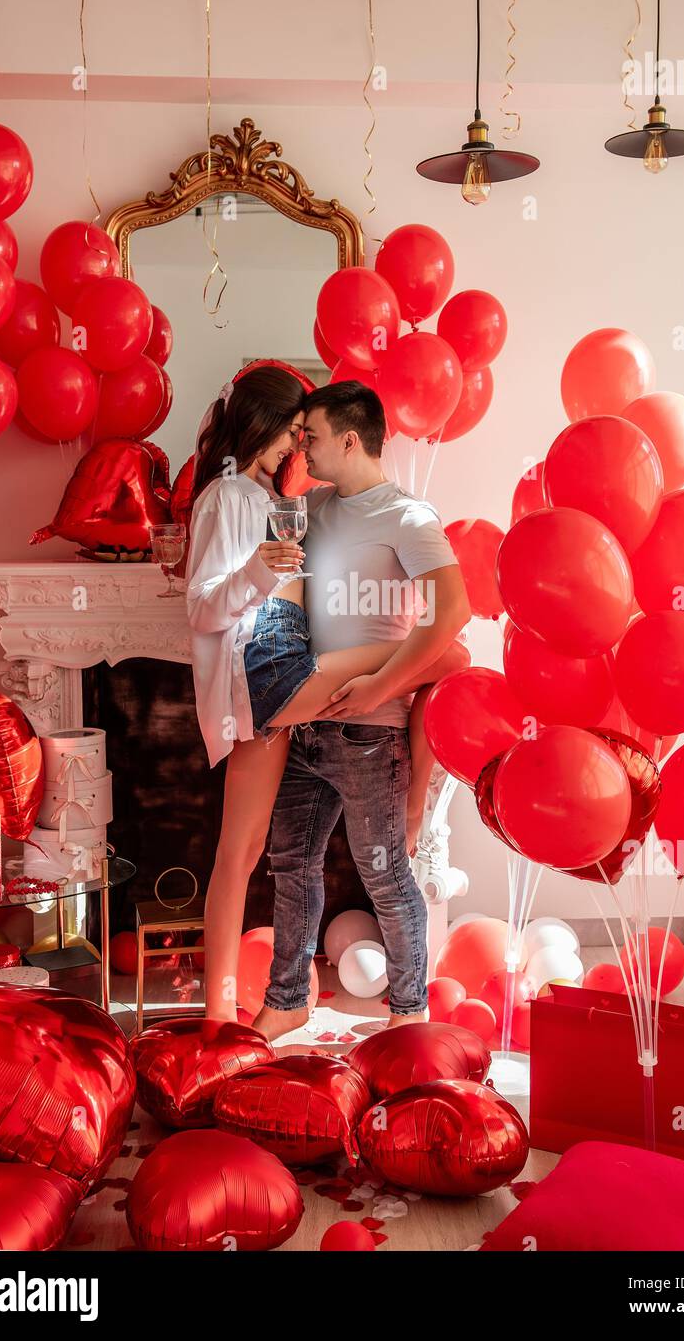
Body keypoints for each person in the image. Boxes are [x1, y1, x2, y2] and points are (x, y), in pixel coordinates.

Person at [186, 365, 468, 1023]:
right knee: (277, 863)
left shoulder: (391, 513)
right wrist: (252, 566)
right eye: (293, 434)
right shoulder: (269, 503)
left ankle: (401, 1014)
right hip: (283, 699)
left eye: (307, 436)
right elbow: (219, 598)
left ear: (347, 440)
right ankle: (256, 1010)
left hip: (344, 712)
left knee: (342, 868)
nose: (300, 450)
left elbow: (441, 611)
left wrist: (381, 683)